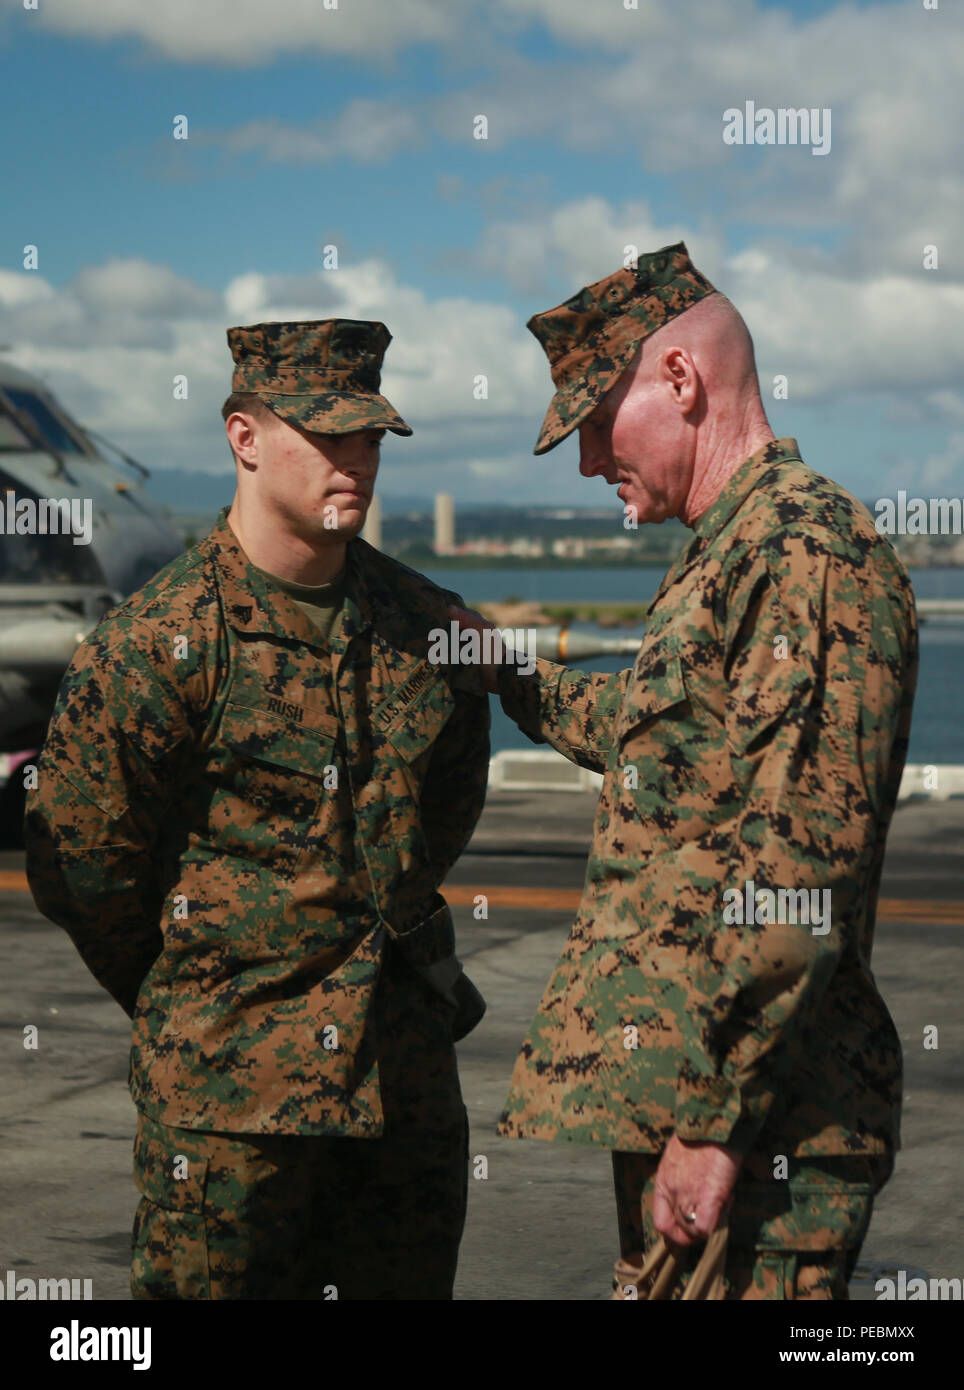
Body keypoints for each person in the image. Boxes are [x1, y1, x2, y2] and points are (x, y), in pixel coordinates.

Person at [452, 244, 917, 1299]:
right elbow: (661, 736)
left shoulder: (802, 552)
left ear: (680, 381)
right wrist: (502, 673)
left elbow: (799, 854)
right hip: (713, 1108)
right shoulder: (727, 549)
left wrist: (711, 1129)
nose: (583, 464)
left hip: (765, 1133)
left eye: (591, 422)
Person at [24, 317, 490, 1300]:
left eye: (369, 437)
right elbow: (84, 869)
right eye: (326, 437)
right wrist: (210, 993)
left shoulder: (423, 623)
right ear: (244, 438)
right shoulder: (157, 642)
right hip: (229, 1114)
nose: (353, 462)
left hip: (401, 1097)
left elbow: (438, 818)